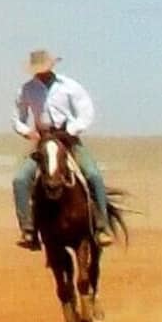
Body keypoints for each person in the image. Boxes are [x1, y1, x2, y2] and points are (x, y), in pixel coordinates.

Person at [12, 49, 112, 250]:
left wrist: (72, 130)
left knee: (93, 175)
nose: (40, 73)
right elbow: (17, 117)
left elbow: (86, 112)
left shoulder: (70, 87)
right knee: (20, 180)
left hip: (69, 140)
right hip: (42, 140)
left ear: (51, 67)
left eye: (43, 69)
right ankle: (28, 229)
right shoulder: (27, 90)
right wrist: (26, 131)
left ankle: (102, 226)